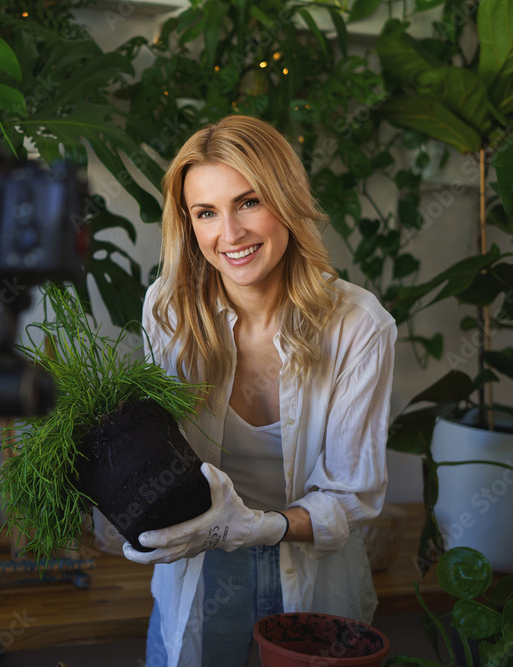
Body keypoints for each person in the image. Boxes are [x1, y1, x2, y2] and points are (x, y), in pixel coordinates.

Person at [123, 115, 396, 667]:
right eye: (206, 212)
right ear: (189, 224)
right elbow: (161, 447)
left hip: (315, 563)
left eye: (248, 202)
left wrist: (262, 527)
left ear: (286, 200)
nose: (231, 233)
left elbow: (353, 494)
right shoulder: (167, 309)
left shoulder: (359, 325)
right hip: (201, 561)